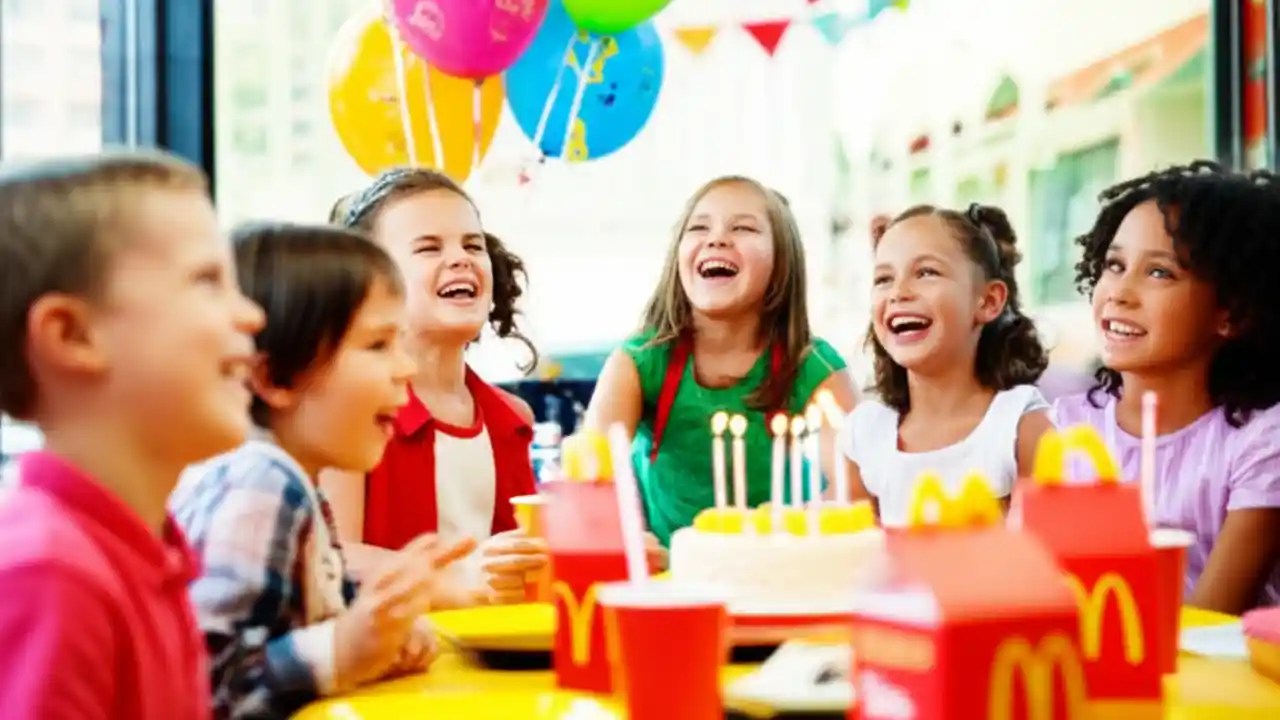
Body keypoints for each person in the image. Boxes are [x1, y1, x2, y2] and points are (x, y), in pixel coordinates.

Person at [0, 151, 264, 718]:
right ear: (72, 335)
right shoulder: (50, 576)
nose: (251, 316)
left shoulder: (150, 550)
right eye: (208, 281)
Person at [173, 223, 474, 717]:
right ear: (274, 376)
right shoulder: (262, 481)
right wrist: (342, 650)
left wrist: (382, 633)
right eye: (378, 346)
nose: (406, 369)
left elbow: (310, 616)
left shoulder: (294, 482)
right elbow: (207, 687)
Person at [1052, 161, 1280, 613]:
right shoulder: (1063, 431)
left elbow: (1213, 618)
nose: (1119, 292)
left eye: (1159, 273)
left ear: (1231, 312)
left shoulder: (1262, 442)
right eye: (1114, 265)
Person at [586, 175, 858, 546]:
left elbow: (853, 491)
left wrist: (799, 536)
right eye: (699, 227)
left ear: (782, 263)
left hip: (780, 569)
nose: (716, 238)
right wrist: (629, 538)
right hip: (669, 577)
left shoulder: (813, 366)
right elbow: (589, 478)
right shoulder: (639, 361)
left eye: (744, 228)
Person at [325, 168, 546, 604]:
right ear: (372, 281)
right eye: (428, 247)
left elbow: (519, 563)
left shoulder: (512, 419)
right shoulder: (352, 409)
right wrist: (460, 579)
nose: (462, 258)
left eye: (473, 245)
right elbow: (333, 556)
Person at [842, 204, 1053, 527]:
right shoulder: (865, 436)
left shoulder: (1018, 426)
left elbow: (1052, 555)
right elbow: (848, 561)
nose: (899, 292)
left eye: (926, 272)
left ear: (988, 301)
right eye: (884, 278)